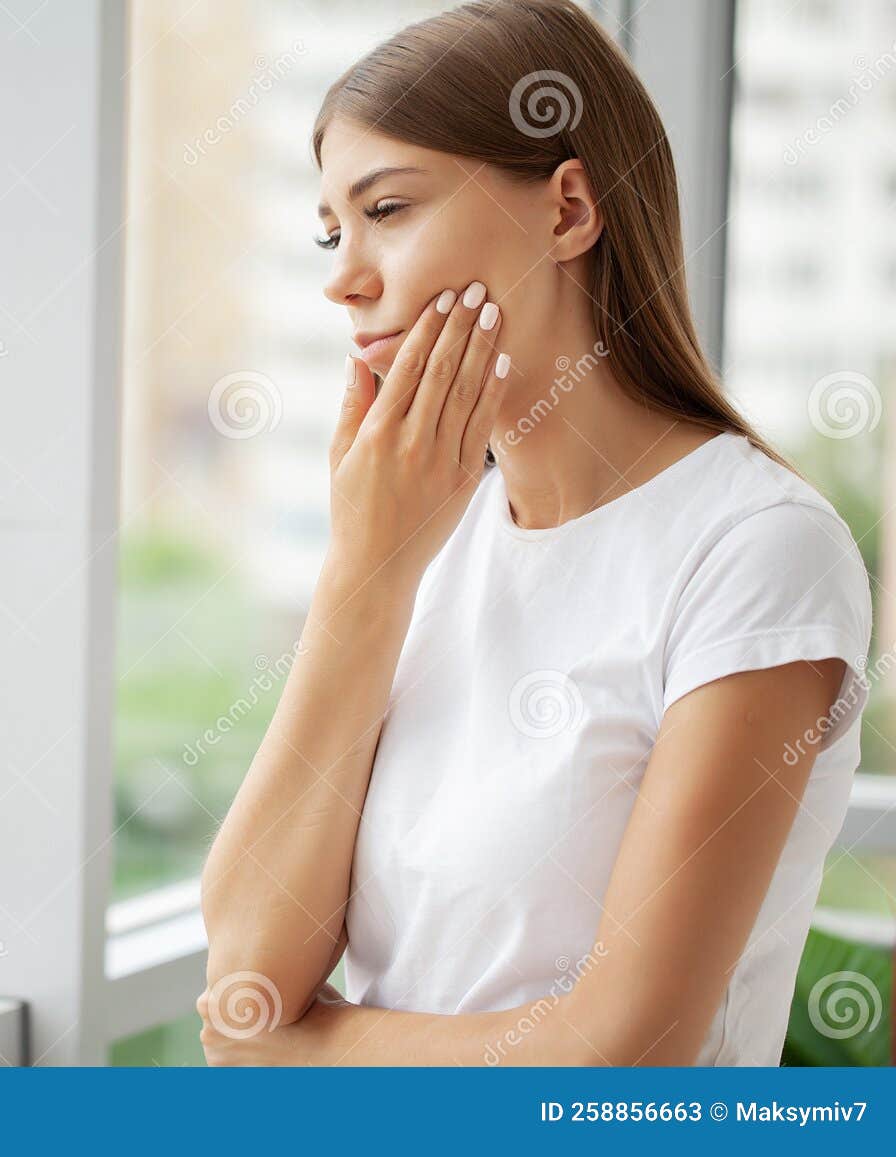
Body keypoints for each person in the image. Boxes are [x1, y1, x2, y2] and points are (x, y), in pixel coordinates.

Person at [197, 0, 874, 1066]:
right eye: (332, 229)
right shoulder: (424, 541)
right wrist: (361, 578)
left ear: (566, 211)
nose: (342, 275)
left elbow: (622, 1049)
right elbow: (243, 974)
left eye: (388, 209)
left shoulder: (755, 550)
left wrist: (310, 1056)